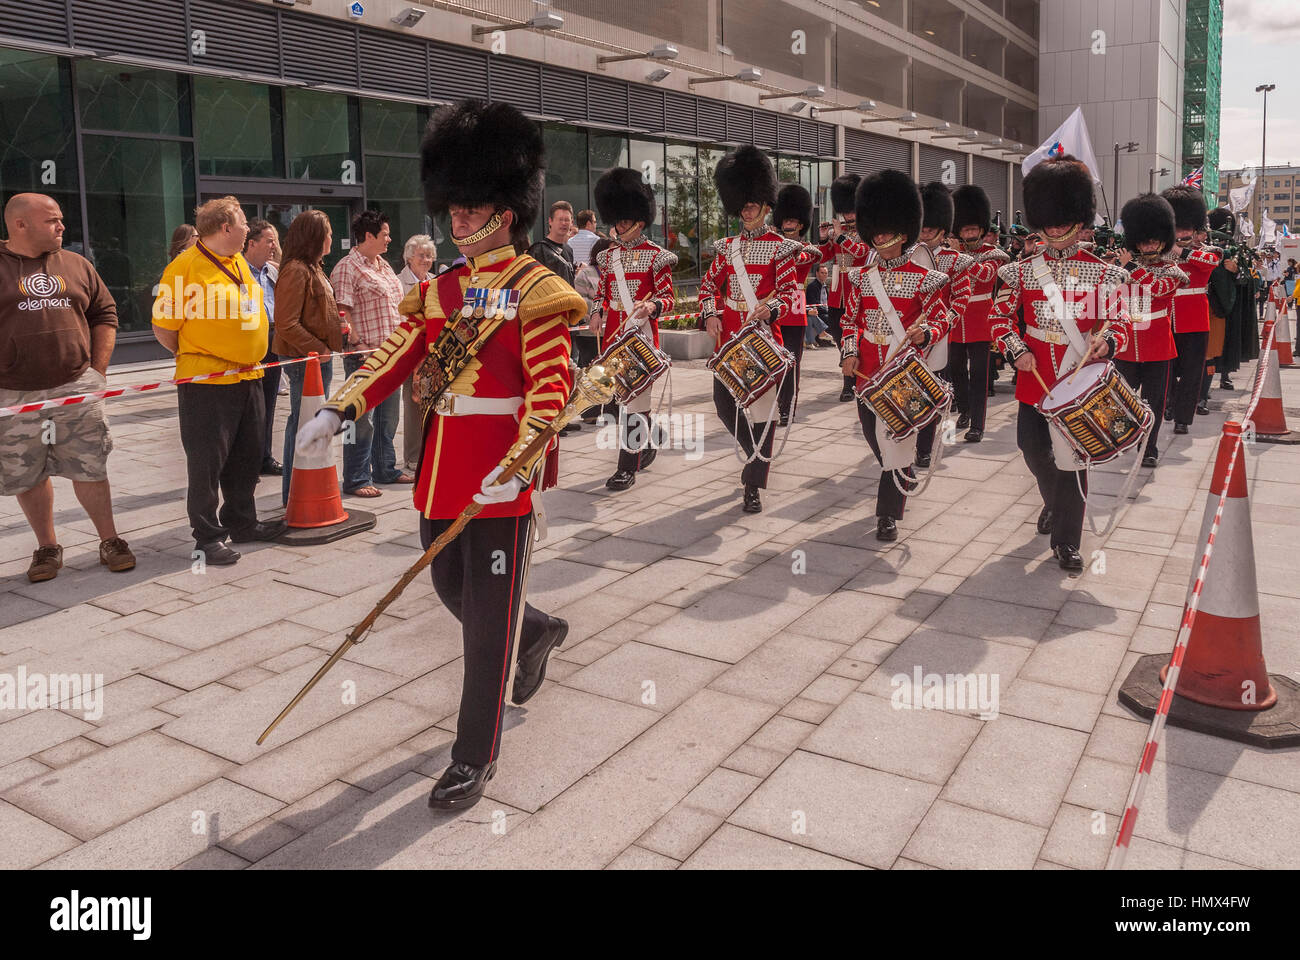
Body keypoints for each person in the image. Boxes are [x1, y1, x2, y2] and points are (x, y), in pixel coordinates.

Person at [295, 100, 586, 811]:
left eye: (472, 207)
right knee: (451, 590)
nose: (456, 219)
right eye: (452, 207)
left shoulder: (537, 291)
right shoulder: (440, 292)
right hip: (441, 472)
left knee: (486, 626)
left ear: (506, 211)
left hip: (500, 478)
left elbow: (552, 388)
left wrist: (518, 460)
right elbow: (397, 357)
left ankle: (473, 754)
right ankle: (539, 628)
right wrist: (344, 404)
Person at [988, 156, 1130, 571]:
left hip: (1078, 377)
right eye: (1046, 220)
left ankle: (1067, 540)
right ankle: (1055, 500)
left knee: (1074, 459)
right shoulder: (1020, 272)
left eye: (1059, 219)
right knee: (1031, 448)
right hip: (1034, 376)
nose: (1052, 228)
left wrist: (1109, 339)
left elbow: (1127, 318)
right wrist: (1015, 349)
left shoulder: (1106, 274)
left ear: (1078, 220)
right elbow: (998, 319)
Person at [0, 193, 135, 582]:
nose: (62, 226)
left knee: (90, 466)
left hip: (75, 387)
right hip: (14, 395)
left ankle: (110, 539)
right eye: (53, 220)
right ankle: (47, 547)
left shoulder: (76, 264)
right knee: (28, 473)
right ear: (20, 224)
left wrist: (98, 372)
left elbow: (104, 314)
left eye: (61, 219)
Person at [152, 196, 285, 565]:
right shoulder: (184, 267)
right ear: (226, 227)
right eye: (244, 222)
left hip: (249, 374)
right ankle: (207, 537)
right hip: (207, 381)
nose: (248, 228)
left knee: (247, 457)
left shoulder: (238, 260)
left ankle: (243, 522)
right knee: (207, 463)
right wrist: (199, 352)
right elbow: (164, 327)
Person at [837, 170, 950, 542]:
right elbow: (850, 320)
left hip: (902, 372)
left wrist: (927, 333)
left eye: (887, 229)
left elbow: (941, 319)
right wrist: (849, 352)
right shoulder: (861, 278)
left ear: (904, 231)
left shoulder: (926, 277)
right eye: (877, 229)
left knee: (895, 440)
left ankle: (888, 514)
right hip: (868, 370)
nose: (881, 236)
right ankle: (900, 475)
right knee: (875, 437)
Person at [698, 146, 801, 515]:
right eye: (742, 204)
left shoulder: (782, 249)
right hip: (729, 339)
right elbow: (709, 287)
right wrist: (710, 312)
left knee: (761, 413)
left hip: (761, 338)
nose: (746, 209)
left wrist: (770, 308)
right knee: (724, 404)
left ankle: (754, 482)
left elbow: (789, 294)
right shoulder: (727, 249)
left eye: (753, 203)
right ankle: (756, 457)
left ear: (766, 205)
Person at [590, 167, 676, 491]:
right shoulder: (608, 257)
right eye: (618, 219)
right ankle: (648, 441)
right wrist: (597, 311)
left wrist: (652, 306)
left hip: (640, 336)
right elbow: (601, 293)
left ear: (639, 220)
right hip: (613, 336)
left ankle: (626, 468)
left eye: (625, 219)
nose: (619, 225)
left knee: (635, 403)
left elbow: (668, 298)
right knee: (615, 400)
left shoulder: (657, 257)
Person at [330, 209, 413, 497]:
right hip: (364, 357)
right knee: (360, 421)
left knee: (388, 418)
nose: (390, 239)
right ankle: (356, 477)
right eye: (385, 234)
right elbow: (343, 312)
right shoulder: (347, 267)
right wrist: (356, 344)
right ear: (369, 236)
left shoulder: (384, 266)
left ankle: (385, 468)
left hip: (390, 356)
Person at [271, 209, 342, 504]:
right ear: (315, 237)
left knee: (306, 422)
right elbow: (286, 322)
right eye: (327, 232)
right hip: (306, 361)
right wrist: (319, 348)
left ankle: (304, 490)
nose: (331, 238)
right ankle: (294, 494)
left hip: (316, 360)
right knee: (301, 423)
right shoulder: (297, 270)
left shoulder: (313, 267)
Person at [1112, 194, 1186, 470]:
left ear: (1163, 241)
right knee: (1123, 398)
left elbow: (1156, 289)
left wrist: (1130, 267)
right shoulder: (1121, 266)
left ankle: (1150, 447)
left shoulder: (1172, 270)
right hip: (1127, 344)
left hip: (1157, 345)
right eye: (1144, 240)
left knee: (1154, 401)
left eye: (1154, 240)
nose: (1149, 245)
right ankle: (1125, 440)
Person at [912, 182, 972, 467]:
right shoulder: (909, 257)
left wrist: (945, 322)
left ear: (942, 230)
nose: (925, 234)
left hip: (942, 335)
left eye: (929, 229)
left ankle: (943, 441)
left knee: (943, 393)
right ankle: (917, 445)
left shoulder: (956, 261)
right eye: (922, 228)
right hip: (913, 336)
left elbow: (962, 296)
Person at [946, 185, 1010, 443]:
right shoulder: (953, 254)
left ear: (982, 230)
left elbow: (985, 275)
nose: (970, 233)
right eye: (966, 229)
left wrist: (960, 256)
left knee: (980, 375)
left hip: (981, 320)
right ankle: (964, 410)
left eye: (973, 229)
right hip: (957, 318)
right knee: (956, 370)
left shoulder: (992, 254)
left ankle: (978, 425)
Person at [1161, 185, 1219, 435]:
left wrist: (1182, 251)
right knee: (1167, 370)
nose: (1182, 231)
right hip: (1166, 319)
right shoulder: (1160, 251)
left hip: (1195, 321)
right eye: (1178, 226)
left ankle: (1184, 417)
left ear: (1194, 228)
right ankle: (1170, 404)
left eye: (1186, 227)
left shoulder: (1205, 252)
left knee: (1191, 373)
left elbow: (1210, 263)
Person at [817, 173, 872, 401]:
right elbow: (823, 257)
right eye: (846, 211)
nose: (848, 214)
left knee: (854, 338)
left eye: (852, 210)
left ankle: (850, 384)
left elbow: (862, 252)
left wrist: (839, 237)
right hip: (838, 291)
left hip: (857, 290)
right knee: (839, 336)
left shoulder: (867, 230)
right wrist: (823, 239)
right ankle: (850, 376)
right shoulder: (839, 231)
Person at [774, 183, 819, 426]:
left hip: (794, 310)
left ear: (801, 224)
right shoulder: (773, 244)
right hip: (773, 311)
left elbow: (800, 258)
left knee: (791, 362)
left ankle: (787, 407)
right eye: (785, 220)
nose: (787, 225)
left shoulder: (807, 249)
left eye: (792, 221)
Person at [244, 219, 283, 476]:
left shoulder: (272, 271)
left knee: (269, 402)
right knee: (251, 405)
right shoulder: (239, 272)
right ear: (252, 243)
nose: (273, 246)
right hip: (249, 339)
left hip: (273, 337)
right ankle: (247, 461)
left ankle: (265, 456)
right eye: (269, 241)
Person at [398, 234, 436, 473]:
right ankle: (413, 456)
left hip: (433, 352)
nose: (426, 259)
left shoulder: (435, 281)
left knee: (432, 405)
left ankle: (431, 451)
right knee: (413, 406)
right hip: (412, 352)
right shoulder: (399, 282)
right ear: (409, 257)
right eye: (421, 255)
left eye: (429, 255)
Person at [527, 201, 576, 286]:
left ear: (571, 222)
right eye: (560, 219)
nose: (564, 223)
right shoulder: (538, 250)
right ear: (550, 221)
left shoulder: (569, 250)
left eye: (567, 220)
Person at [805, 262, 833, 347]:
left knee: (835, 316)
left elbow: (827, 301)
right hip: (816, 311)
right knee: (828, 318)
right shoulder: (812, 286)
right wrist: (827, 310)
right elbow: (813, 303)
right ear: (817, 273)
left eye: (826, 273)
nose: (824, 275)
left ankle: (824, 338)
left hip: (823, 310)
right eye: (822, 273)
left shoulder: (824, 286)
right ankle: (822, 336)